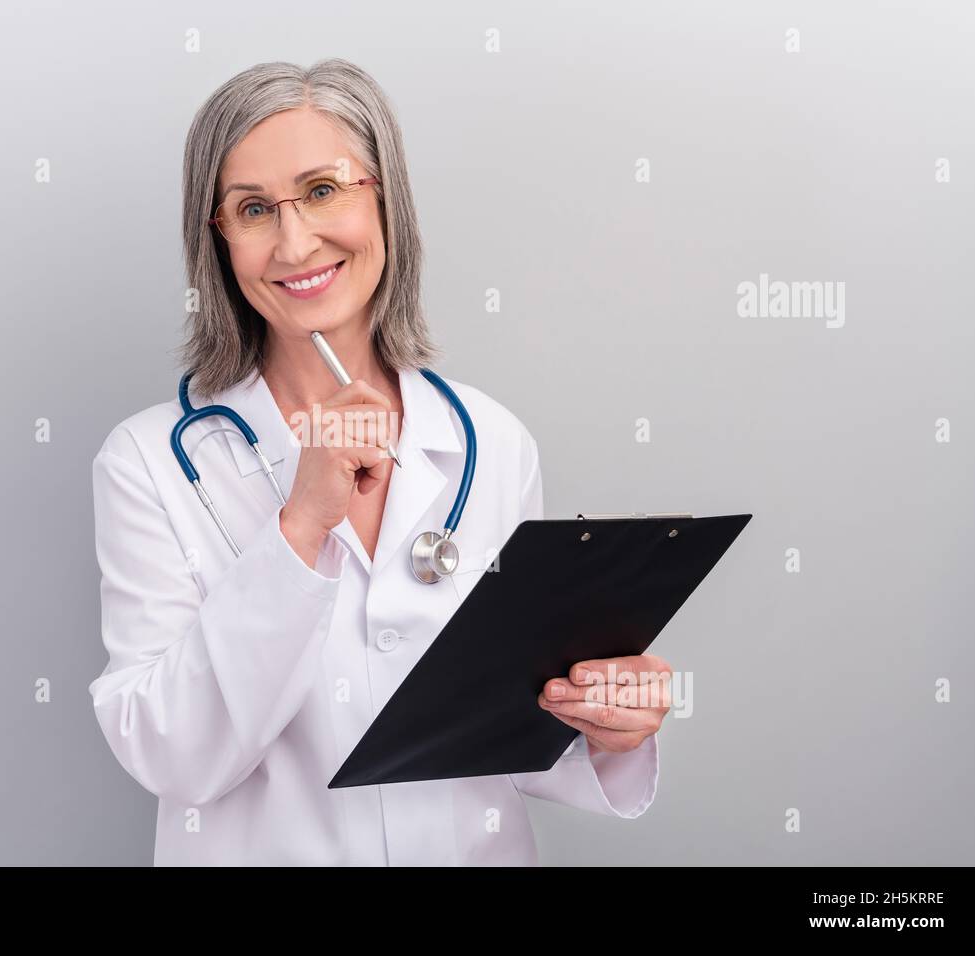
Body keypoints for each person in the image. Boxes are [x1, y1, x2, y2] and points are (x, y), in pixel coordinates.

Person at [89, 58, 670, 865]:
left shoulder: (488, 443)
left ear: (385, 197)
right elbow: (172, 754)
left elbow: (513, 725)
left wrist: (608, 725)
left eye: (323, 190)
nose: (296, 242)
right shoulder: (149, 462)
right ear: (216, 240)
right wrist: (299, 527)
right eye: (253, 209)